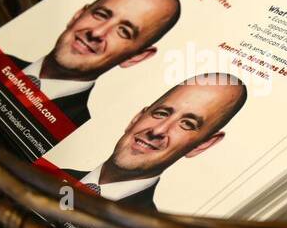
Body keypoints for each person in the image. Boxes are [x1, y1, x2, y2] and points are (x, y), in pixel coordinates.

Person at [61, 72, 247, 212]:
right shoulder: (44, 172)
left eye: (187, 124)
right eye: (161, 113)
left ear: (202, 145)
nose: (158, 130)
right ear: (137, 118)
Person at [8, 0, 182, 126]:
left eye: (123, 31)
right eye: (101, 14)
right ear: (78, 15)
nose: (97, 33)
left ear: (136, 57)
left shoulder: (74, 132)